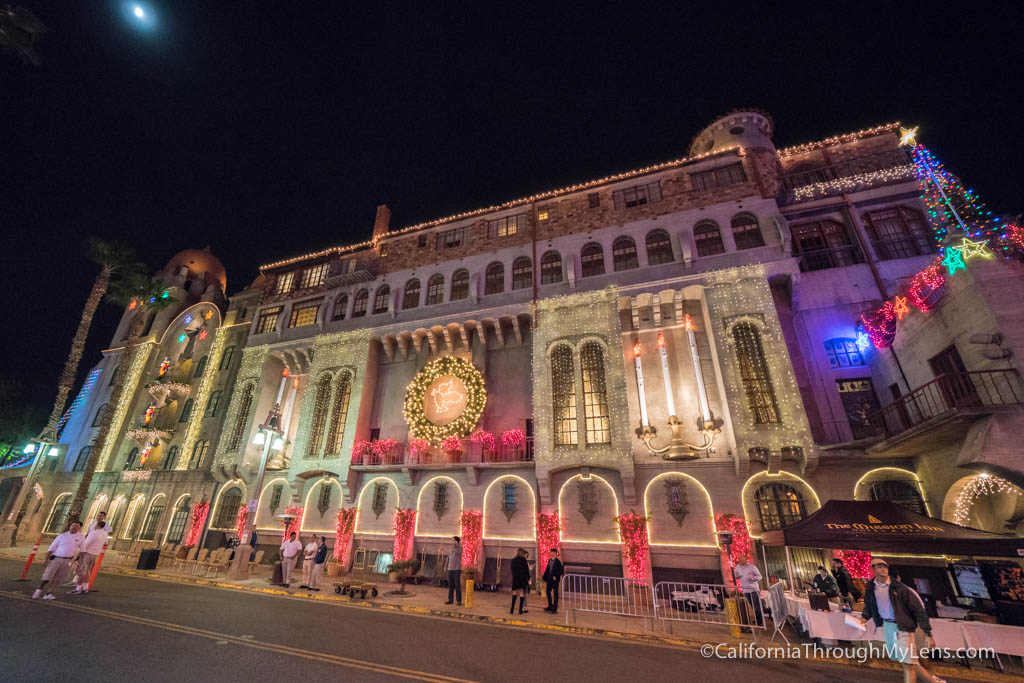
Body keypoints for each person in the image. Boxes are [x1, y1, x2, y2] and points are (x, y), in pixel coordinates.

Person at [860, 559, 945, 683]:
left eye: (885, 566)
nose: (883, 569)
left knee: (908, 664)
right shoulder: (871, 587)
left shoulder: (900, 588)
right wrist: (864, 617)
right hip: (888, 626)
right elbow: (869, 605)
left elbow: (918, 610)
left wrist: (928, 633)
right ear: (873, 569)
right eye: (879, 566)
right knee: (907, 661)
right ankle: (934, 681)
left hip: (903, 627)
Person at [33, 521, 84, 600]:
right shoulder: (62, 536)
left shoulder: (81, 537)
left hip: (68, 560)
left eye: (76, 526)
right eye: (72, 525)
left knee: (58, 578)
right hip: (56, 558)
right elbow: (52, 547)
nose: (73, 527)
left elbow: (82, 550)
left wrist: (80, 561)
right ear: (70, 526)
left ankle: (49, 593)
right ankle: (39, 590)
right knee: (48, 576)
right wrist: (46, 559)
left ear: (79, 528)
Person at [71, 520, 109, 594]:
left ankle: (78, 589)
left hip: (87, 553)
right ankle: (85, 588)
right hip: (95, 554)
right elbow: (106, 543)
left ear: (97, 525)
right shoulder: (105, 534)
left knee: (82, 571)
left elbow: (85, 544)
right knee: (88, 571)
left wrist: (78, 555)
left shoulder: (93, 533)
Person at [734, 556, 763, 626]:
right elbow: (735, 575)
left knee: (756, 605)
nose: (740, 561)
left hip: (753, 589)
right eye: (740, 559)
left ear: (746, 560)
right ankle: (757, 619)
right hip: (745, 589)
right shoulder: (738, 567)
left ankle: (759, 621)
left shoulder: (752, 567)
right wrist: (737, 576)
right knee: (752, 605)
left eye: (742, 559)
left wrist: (753, 578)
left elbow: (760, 577)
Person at [542, 548, 564, 614]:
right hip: (549, 580)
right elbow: (548, 570)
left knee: (555, 594)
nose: (551, 553)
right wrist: (544, 577)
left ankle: (554, 608)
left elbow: (561, 571)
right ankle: (550, 606)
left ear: (555, 553)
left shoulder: (558, 562)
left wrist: (556, 576)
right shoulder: (549, 561)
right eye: (551, 552)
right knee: (547, 592)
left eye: (552, 552)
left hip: (555, 581)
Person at [510, 548, 531, 615]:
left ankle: (512, 610)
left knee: (514, 594)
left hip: (515, 579)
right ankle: (520, 610)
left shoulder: (513, 560)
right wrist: (528, 578)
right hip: (522, 579)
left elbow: (512, 570)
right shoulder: (523, 560)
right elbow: (526, 570)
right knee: (522, 594)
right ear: (522, 553)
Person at [445, 536, 462, 606]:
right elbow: (448, 558)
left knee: (457, 585)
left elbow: (457, 553)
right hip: (450, 569)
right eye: (452, 541)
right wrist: (445, 566)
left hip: (456, 569)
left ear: (457, 542)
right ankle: (450, 600)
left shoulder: (460, 548)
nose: (453, 542)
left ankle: (458, 600)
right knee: (450, 585)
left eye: (454, 541)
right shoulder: (450, 549)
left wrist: (455, 547)